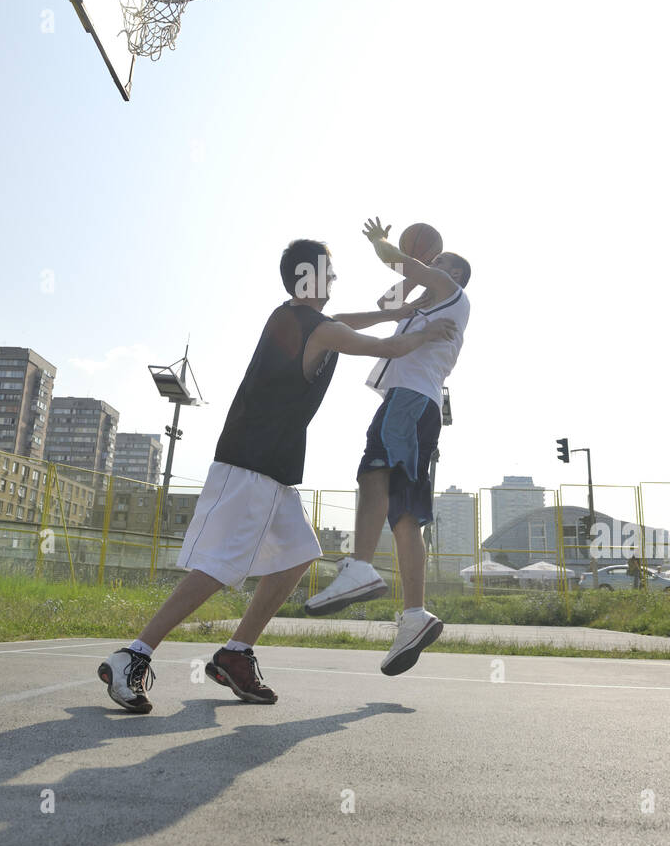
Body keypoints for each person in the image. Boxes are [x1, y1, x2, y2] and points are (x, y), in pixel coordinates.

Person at [97, 237, 456, 712]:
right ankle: (133, 655)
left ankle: (236, 654)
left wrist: (395, 313)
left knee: (298, 555)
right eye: (329, 272)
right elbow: (384, 346)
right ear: (310, 277)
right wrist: (429, 332)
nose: (334, 280)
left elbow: (351, 323)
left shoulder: (296, 319)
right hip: (252, 462)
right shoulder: (312, 326)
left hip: (273, 469)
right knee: (218, 568)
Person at [305, 216, 471, 677]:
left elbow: (405, 266)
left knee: (372, 472)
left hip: (410, 402)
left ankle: (360, 566)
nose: (430, 266)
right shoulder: (423, 309)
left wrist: (384, 244)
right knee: (404, 517)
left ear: (452, 275)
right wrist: (401, 285)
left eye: (439, 263)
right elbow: (382, 306)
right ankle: (415, 617)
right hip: (417, 407)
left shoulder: (454, 296)